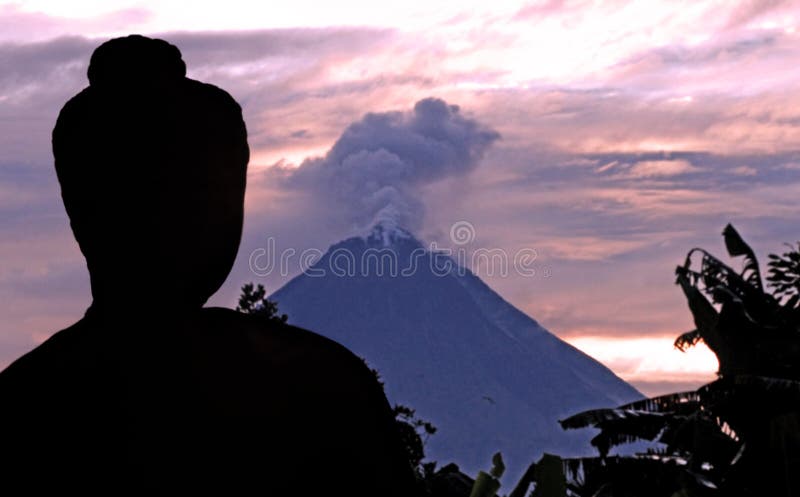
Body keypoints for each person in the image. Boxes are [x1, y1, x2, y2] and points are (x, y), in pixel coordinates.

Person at [0, 35, 416, 496]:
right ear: (86, 208)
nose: (206, 217)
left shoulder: (25, 403)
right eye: (196, 194)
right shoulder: (317, 385)